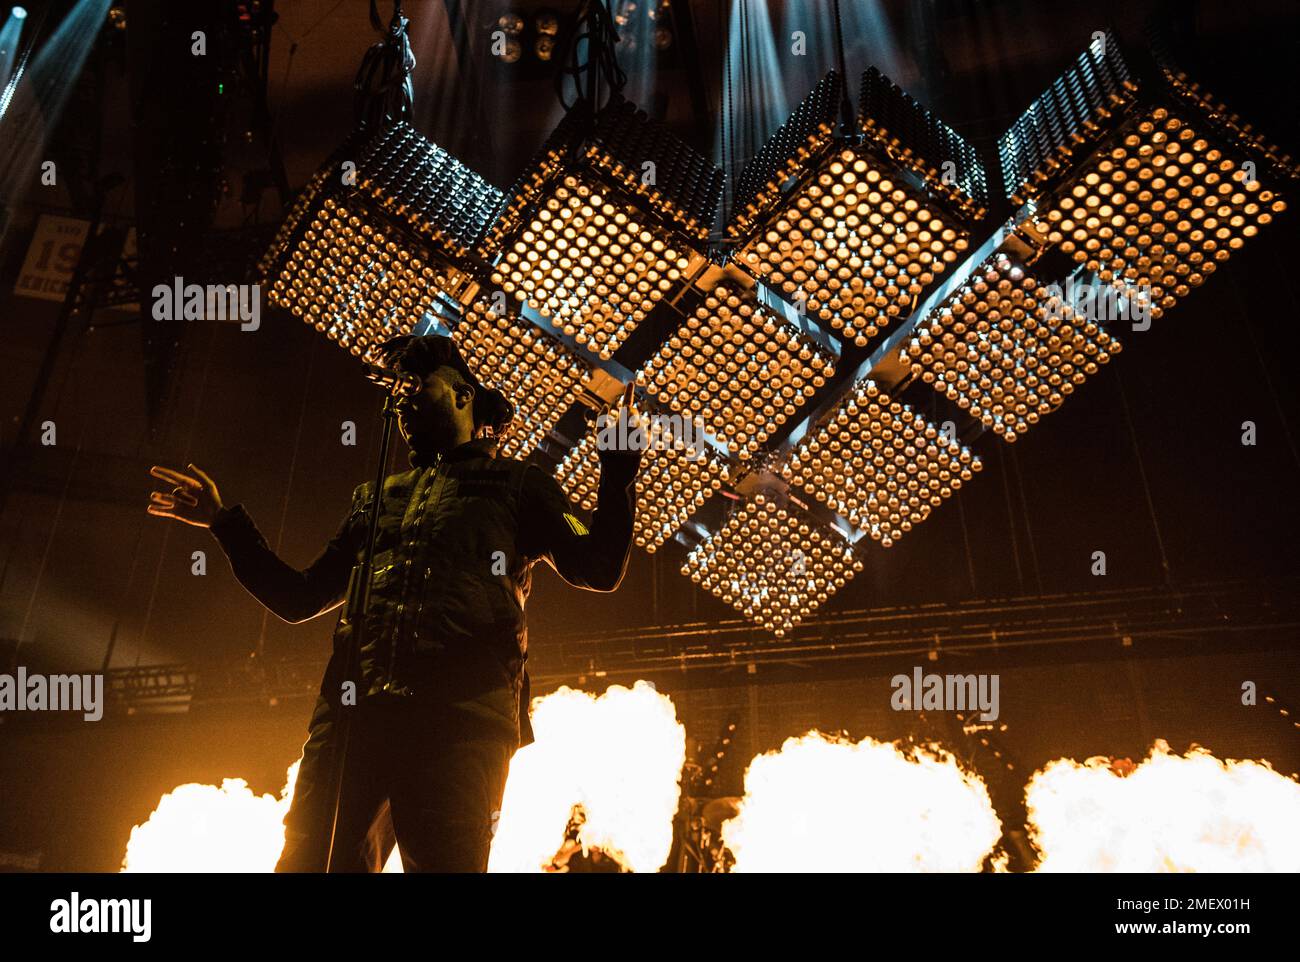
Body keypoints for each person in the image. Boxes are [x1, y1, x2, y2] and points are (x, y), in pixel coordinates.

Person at [146, 334, 642, 872]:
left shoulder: (518, 485)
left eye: (416, 383)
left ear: (461, 394)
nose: (400, 398)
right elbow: (300, 597)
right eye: (397, 388)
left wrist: (617, 473)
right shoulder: (377, 497)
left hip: (459, 724)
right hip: (352, 723)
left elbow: (596, 566)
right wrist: (225, 525)